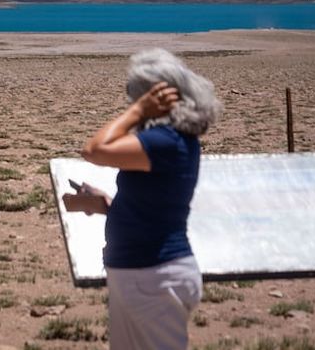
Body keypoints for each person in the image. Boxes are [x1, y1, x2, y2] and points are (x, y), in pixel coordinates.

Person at [73, 48, 221, 350]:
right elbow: (154, 206)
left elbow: (95, 149)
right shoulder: (171, 142)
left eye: (135, 95)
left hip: (153, 276)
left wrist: (137, 111)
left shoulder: (165, 142)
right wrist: (108, 204)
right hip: (146, 275)